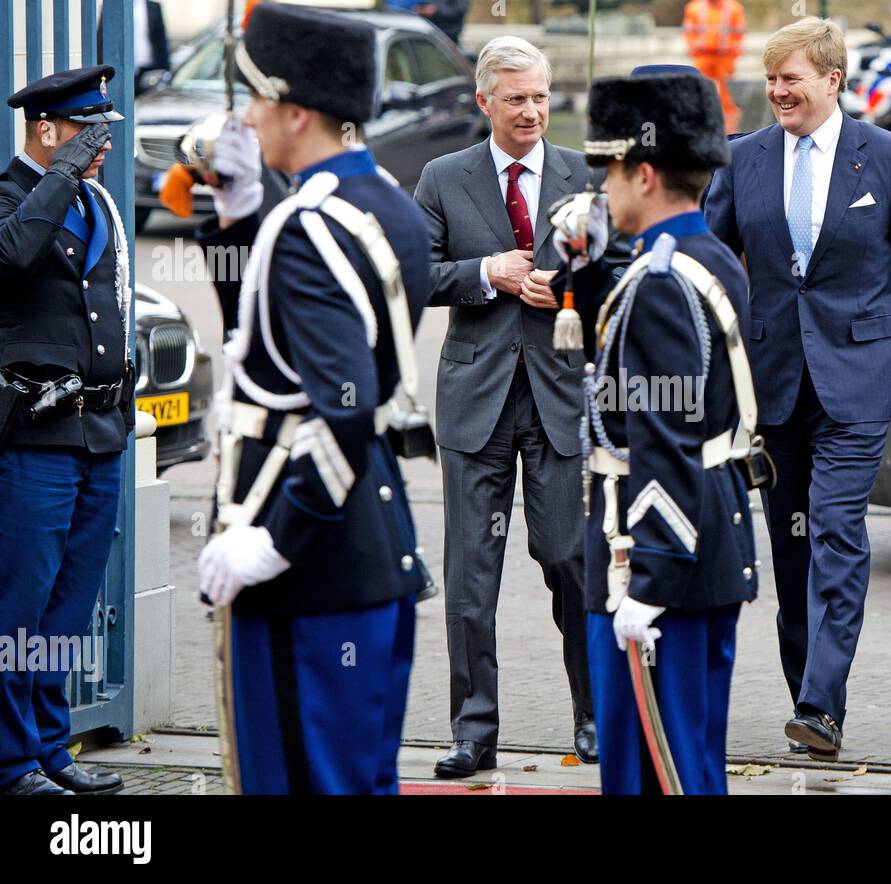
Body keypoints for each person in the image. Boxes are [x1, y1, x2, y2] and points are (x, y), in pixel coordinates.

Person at [705, 18, 891, 761]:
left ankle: (821, 705)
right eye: (771, 80)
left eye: (791, 78)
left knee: (834, 532)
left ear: (833, 80)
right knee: (790, 548)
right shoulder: (744, 159)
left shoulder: (888, 156)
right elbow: (705, 261)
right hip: (773, 383)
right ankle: (810, 699)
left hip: (856, 380)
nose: (777, 91)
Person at [194, 3, 431, 794]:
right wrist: (237, 221)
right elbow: (276, 350)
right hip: (371, 550)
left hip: (312, 571)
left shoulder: (308, 225)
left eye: (259, 100)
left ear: (296, 112)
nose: (248, 116)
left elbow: (343, 405)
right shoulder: (382, 201)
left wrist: (271, 541)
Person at [560, 69, 758, 794]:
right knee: (691, 762)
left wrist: (649, 582)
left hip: (654, 564)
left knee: (654, 774)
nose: (603, 188)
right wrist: (584, 269)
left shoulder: (661, 281)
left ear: (643, 173)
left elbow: (665, 440)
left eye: (609, 170)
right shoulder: (698, 257)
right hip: (706, 542)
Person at [415, 36, 598, 777]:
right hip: (476, 403)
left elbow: (618, 276)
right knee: (470, 577)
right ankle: (473, 731)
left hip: (558, 401)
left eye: (542, 97)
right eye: (517, 98)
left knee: (570, 558)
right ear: (485, 102)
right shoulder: (441, 176)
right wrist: (485, 272)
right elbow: (413, 274)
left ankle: (593, 715)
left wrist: (572, 286)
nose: (532, 111)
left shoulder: (582, 173)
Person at [0, 65, 131, 796]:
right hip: (34, 441)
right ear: (47, 130)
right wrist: (63, 172)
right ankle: (11, 761)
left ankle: (50, 748)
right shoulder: (10, 200)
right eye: (87, 130)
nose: (100, 145)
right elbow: (12, 256)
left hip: (99, 434)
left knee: (67, 608)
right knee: (20, 606)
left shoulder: (98, 203)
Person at [683, 0, 747, 133]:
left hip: (725, 56)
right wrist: (693, 47)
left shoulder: (734, 8)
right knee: (701, 87)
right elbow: (689, 31)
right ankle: (702, 120)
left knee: (727, 91)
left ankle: (730, 129)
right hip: (702, 55)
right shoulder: (694, 8)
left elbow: (739, 31)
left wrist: (734, 49)